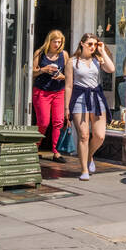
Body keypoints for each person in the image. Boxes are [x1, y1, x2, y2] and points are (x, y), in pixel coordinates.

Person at [66, 32, 115, 181]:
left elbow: (111, 69)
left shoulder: (97, 59)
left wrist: (102, 51)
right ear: (82, 44)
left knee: (99, 135)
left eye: (95, 44)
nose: (92, 47)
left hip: (96, 96)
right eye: (90, 44)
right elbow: (68, 86)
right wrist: (66, 108)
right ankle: (84, 170)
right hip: (79, 97)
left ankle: (89, 156)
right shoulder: (72, 61)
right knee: (84, 135)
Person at [32, 30, 69, 162]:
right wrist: (44, 70)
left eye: (59, 42)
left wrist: (62, 76)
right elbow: (31, 72)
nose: (57, 44)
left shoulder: (64, 55)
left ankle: (56, 151)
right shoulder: (40, 53)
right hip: (42, 91)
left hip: (58, 91)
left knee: (58, 121)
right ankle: (35, 148)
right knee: (43, 122)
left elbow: (70, 75)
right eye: (55, 41)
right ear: (49, 41)